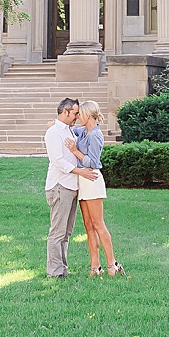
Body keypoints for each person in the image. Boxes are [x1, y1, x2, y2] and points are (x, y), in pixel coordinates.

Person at [44, 97, 96, 277]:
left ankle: (62, 269)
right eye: (75, 113)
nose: (77, 117)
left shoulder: (70, 130)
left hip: (71, 187)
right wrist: (81, 172)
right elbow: (57, 160)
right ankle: (55, 271)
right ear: (65, 112)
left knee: (66, 232)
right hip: (60, 186)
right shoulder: (53, 133)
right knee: (57, 231)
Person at [72, 100, 125, 277]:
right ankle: (95, 266)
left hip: (92, 179)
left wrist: (75, 151)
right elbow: (67, 129)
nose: (77, 116)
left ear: (87, 115)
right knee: (88, 225)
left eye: (80, 114)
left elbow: (93, 162)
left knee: (98, 224)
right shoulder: (82, 131)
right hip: (82, 179)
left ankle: (112, 264)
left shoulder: (95, 135)